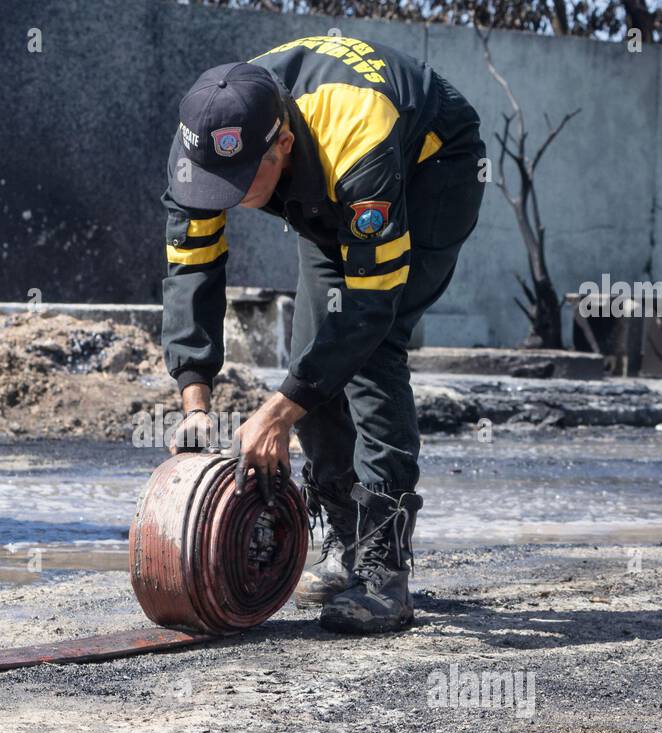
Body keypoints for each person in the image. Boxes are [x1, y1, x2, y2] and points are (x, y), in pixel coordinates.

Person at [160, 35, 485, 633]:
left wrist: (277, 415)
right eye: (213, 182)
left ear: (281, 143)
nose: (222, 199)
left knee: (366, 353)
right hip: (327, 183)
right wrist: (194, 399)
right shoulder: (205, 136)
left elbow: (370, 309)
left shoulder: (355, 135)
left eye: (237, 184)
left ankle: (385, 572)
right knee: (311, 360)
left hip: (431, 166)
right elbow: (192, 266)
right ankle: (346, 540)